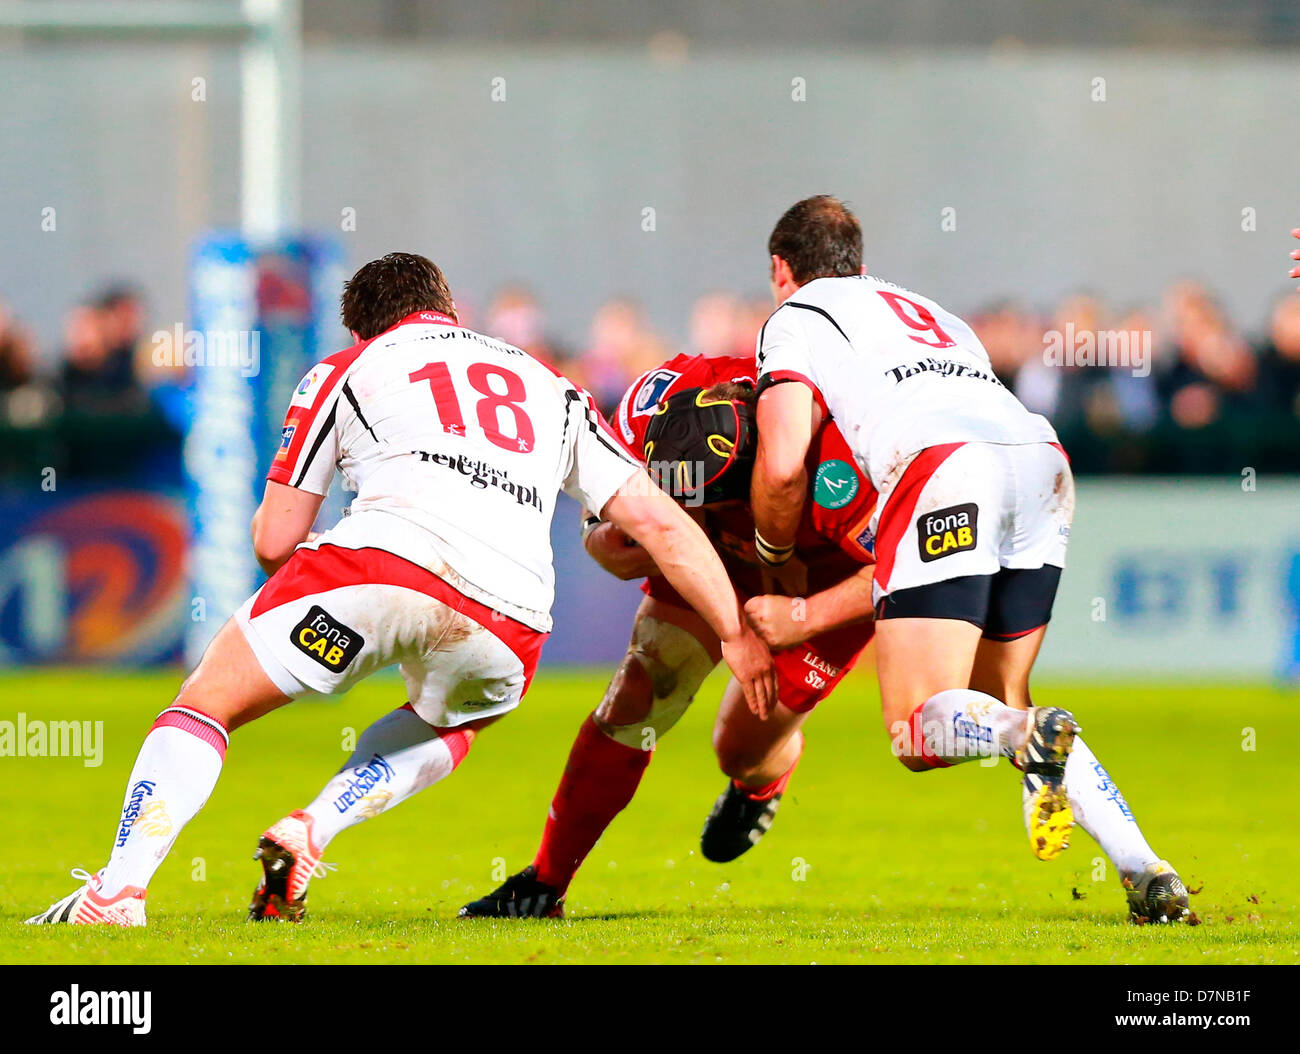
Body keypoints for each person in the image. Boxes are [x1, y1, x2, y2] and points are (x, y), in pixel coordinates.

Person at [26, 252, 774, 927]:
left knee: (205, 704)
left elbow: (272, 542)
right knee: (450, 722)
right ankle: (313, 828)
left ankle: (119, 891)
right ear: (445, 307)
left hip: (375, 576)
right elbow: (666, 527)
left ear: (363, 327)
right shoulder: (554, 386)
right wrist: (736, 636)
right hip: (508, 624)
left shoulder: (346, 369)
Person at [746, 195, 1188, 923]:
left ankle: (1024, 738)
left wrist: (773, 552)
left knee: (917, 727)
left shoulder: (793, 317)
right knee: (1002, 698)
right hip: (1040, 458)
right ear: (861, 263)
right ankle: (1149, 872)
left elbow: (786, 461)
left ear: (779, 269)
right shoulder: (932, 311)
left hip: (946, 466)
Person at [456, 354, 879, 918]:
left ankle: (763, 780)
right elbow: (604, 497)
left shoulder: (851, 458)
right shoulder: (651, 404)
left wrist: (803, 617)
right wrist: (598, 532)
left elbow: (903, 572)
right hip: (705, 557)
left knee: (739, 749)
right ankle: (546, 883)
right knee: (638, 690)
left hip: (822, 583)